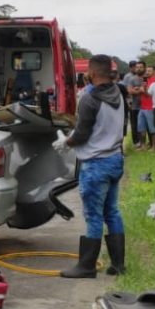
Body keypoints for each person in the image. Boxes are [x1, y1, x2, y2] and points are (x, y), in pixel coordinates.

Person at [58, 55, 128, 278]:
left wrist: (65, 143)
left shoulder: (90, 100)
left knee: (94, 216)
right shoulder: (118, 93)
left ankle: (87, 266)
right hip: (115, 159)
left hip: (96, 164)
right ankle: (118, 265)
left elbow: (81, 134)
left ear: (93, 73)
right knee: (112, 212)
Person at [120, 61, 148, 149]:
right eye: (137, 67)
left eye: (141, 67)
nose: (138, 68)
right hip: (135, 105)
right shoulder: (131, 78)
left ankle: (148, 143)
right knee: (135, 125)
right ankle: (137, 142)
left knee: (147, 125)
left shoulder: (147, 77)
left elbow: (150, 90)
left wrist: (136, 89)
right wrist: (141, 89)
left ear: (144, 68)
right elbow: (129, 91)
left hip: (147, 106)